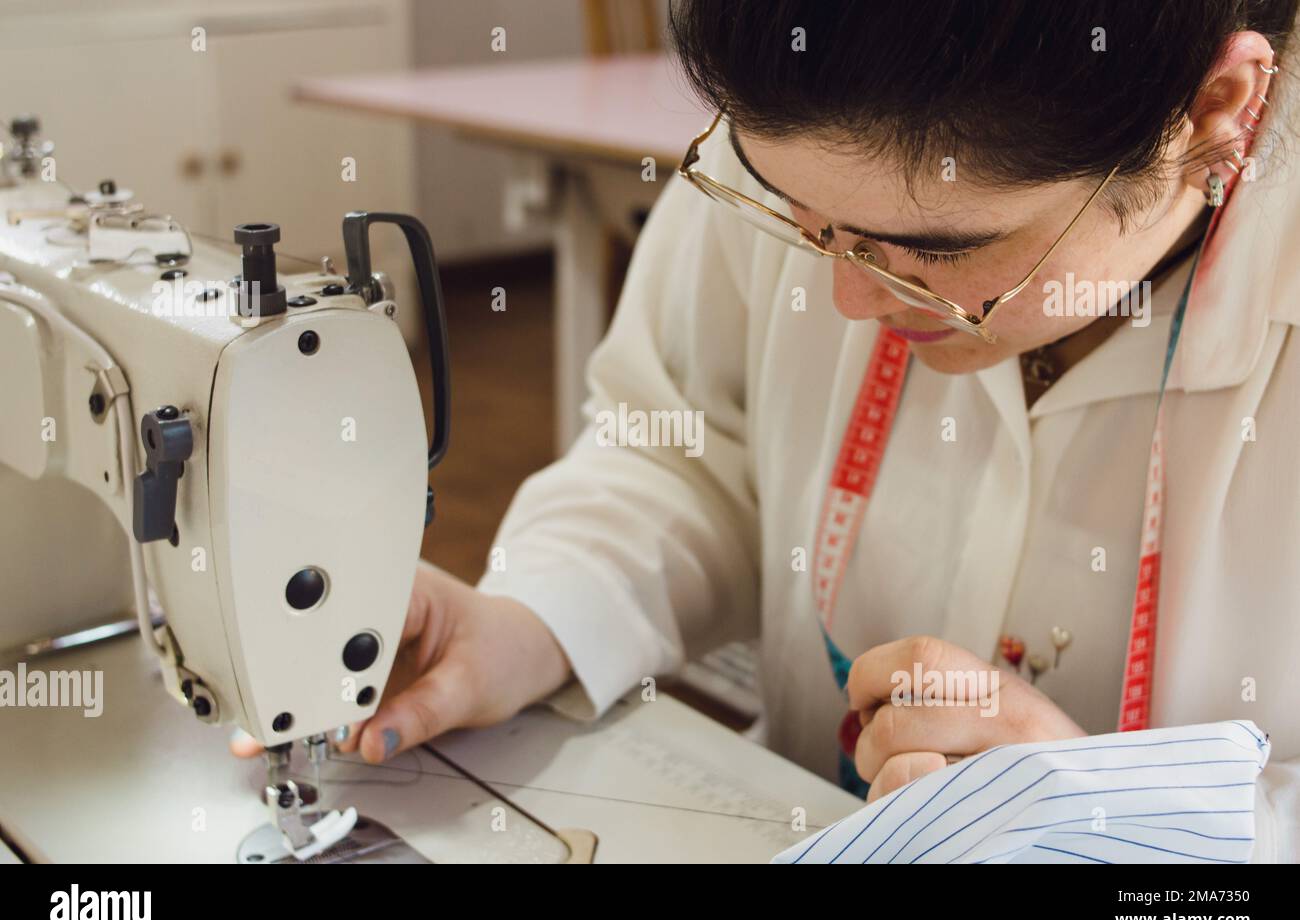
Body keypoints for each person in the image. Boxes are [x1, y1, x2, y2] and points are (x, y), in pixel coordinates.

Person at [235, 0, 1300, 861]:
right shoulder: (800, 131)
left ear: (1214, 106)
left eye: (929, 247)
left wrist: (1157, 831)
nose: (842, 297)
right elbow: (684, 446)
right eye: (798, 217)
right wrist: (534, 617)